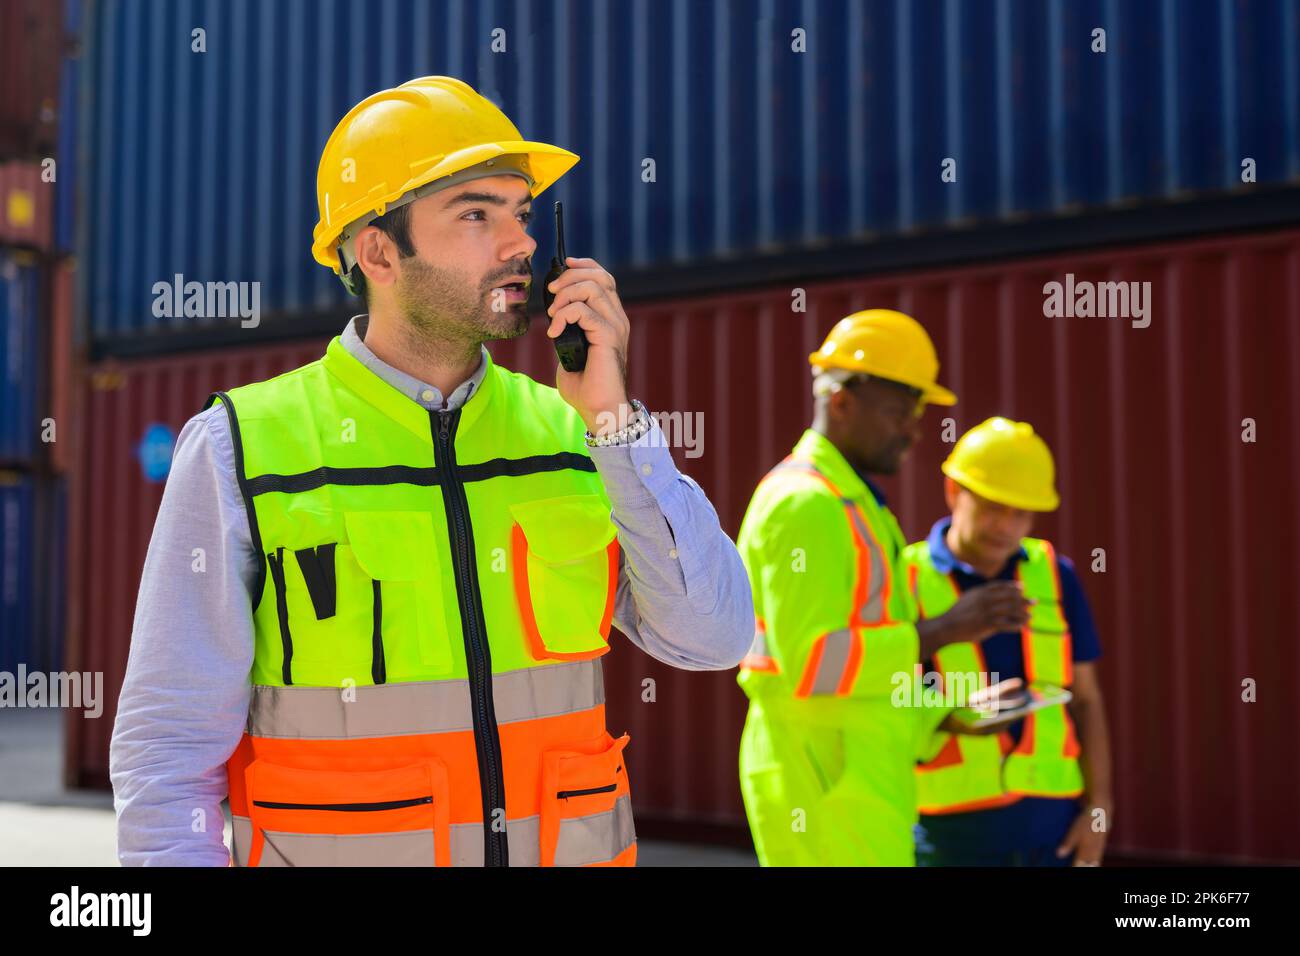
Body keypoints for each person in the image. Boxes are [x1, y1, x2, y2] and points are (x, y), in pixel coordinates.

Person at [109, 76, 753, 867]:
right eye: (476, 214)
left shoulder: (574, 431)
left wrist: (614, 422)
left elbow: (715, 637)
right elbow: (167, 750)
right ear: (379, 250)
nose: (520, 243)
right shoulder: (243, 445)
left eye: (520, 213)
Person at [735, 309, 1023, 865]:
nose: (914, 431)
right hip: (822, 787)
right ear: (841, 402)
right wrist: (945, 629)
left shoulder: (856, 504)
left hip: (854, 781)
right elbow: (816, 663)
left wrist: (944, 714)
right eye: (899, 413)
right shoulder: (806, 505)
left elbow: (865, 680)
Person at [902, 417, 1113, 866]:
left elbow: (1087, 700)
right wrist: (954, 715)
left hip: (1052, 831)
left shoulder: (1056, 575)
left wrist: (1099, 810)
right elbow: (881, 692)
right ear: (954, 493)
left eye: (1021, 512)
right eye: (993, 506)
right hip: (947, 836)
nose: (1006, 525)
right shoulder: (906, 579)